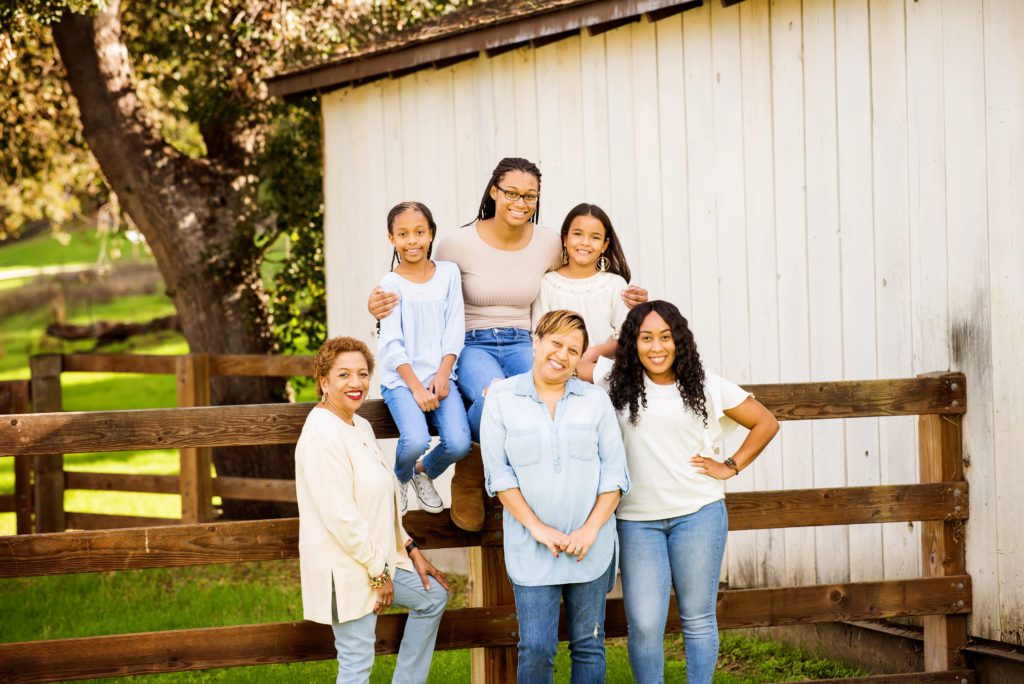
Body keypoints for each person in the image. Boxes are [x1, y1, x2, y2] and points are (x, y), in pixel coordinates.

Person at [368, 157, 647, 532]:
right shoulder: (455, 243)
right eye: (511, 193)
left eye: (530, 195)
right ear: (494, 192)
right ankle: (468, 472)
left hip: (523, 342)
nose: (521, 202)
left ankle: (538, 488)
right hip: (471, 344)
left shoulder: (549, 241)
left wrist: (629, 296)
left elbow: (579, 271)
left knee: (550, 398)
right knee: (493, 398)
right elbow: (421, 287)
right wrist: (377, 307)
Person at [586, 301, 779, 684]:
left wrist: (731, 466)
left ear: (680, 340)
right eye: (645, 338)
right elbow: (579, 361)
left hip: (698, 513)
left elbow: (765, 423)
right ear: (632, 343)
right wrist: (612, 343)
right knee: (643, 623)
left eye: (665, 337)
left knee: (698, 617)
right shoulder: (614, 380)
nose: (657, 347)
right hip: (637, 521)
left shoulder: (705, 383)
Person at [480, 310, 630, 684]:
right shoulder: (501, 398)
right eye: (556, 343)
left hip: (589, 545)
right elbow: (499, 476)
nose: (562, 355)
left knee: (589, 643)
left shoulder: (595, 401)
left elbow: (615, 474)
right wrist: (538, 528)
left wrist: (590, 530)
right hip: (532, 546)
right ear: (537, 341)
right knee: (536, 647)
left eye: (573, 349)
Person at [295, 336, 451, 684]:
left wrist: (410, 548)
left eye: (363, 374)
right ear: (323, 381)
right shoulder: (321, 432)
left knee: (433, 596)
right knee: (356, 662)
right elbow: (341, 517)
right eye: (344, 375)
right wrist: (378, 575)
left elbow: (380, 500)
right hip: (347, 568)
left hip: (380, 560)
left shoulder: (360, 425)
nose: (356, 383)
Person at [378, 201, 471, 516]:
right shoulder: (390, 284)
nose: (412, 240)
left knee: (458, 443)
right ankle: (400, 478)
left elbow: (455, 327)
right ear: (392, 239)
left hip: (441, 377)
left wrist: (443, 374)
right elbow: (391, 344)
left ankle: (422, 471)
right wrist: (416, 388)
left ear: (431, 234)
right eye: (402, 234)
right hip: (403, 382)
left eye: (419, 232)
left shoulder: (448, 273)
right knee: (416, 438)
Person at [531, 202, 631, 382]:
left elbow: (626, 337)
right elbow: (538, 334)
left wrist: (592, 353)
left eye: (595, 237)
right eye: (577, 234)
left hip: (601, 372)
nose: (585, 243)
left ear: (604, 245)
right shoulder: (548, 283)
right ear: (565, 238)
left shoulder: (614, 284)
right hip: (558, 369)